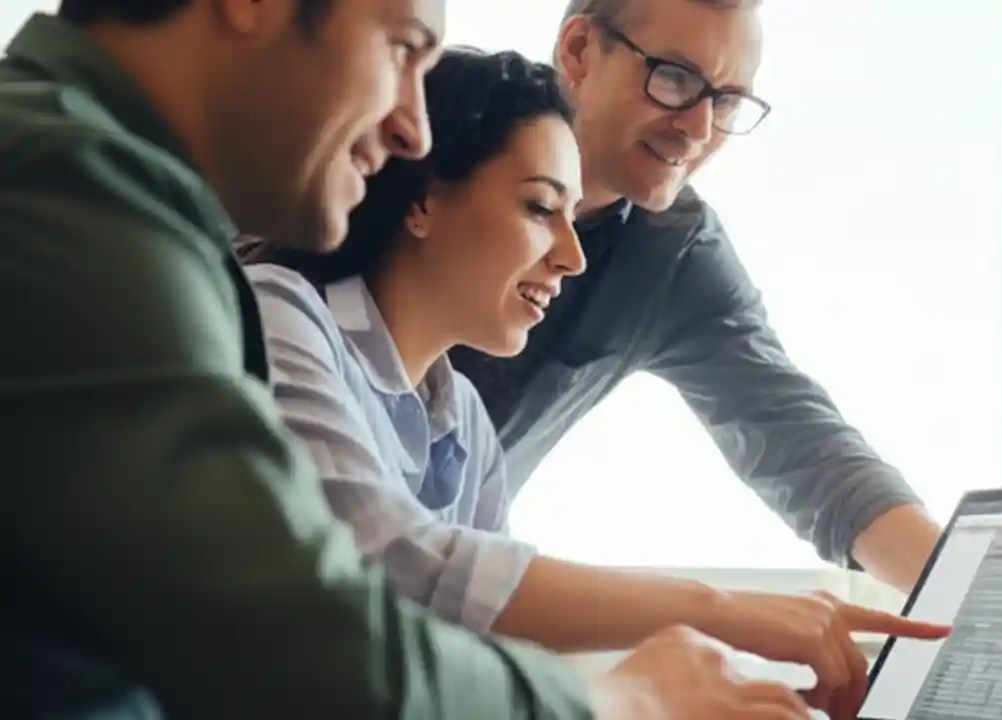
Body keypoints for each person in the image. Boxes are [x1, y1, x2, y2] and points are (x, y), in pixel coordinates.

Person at [0, 3, 814, 718]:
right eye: (402, 46)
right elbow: (299, 647)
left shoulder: (115, 202)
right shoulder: (67, 197)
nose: (411, 131)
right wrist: (626, 699)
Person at [242, 47, 950, 719]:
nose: (572, 256)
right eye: (540, 209)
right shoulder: (279, 316)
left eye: (729, 99)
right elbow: (386, 562)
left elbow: (489, 651)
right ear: (423, 201)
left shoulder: (460, 417)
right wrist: (713, 611)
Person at [447, 0, 944, 594]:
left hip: (434, 615)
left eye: (727, 100)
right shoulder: (422, 125)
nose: (699, 128)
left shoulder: (672, 253)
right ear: (579, 51)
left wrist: (967, 599)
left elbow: (805, 448)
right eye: (674, 78)